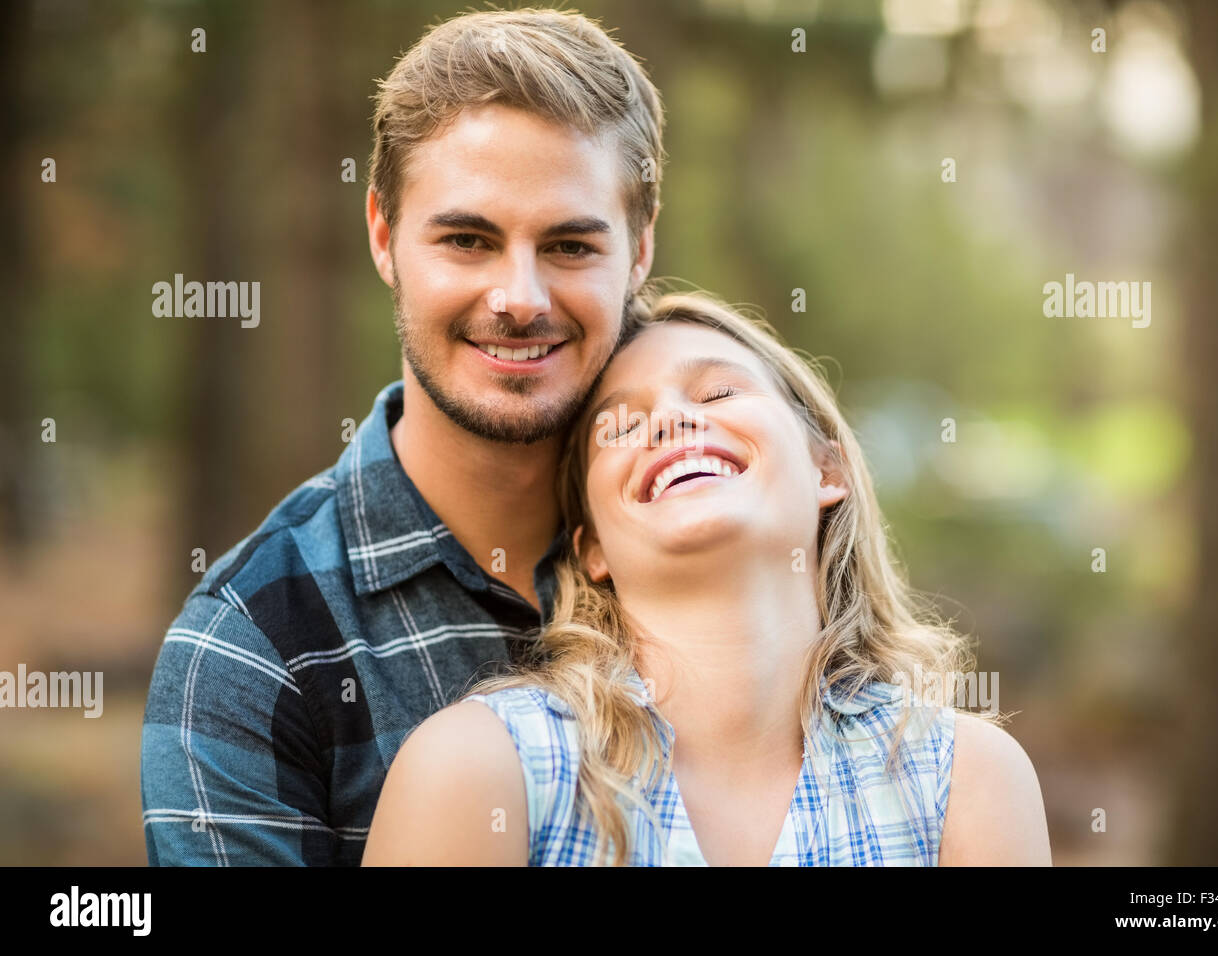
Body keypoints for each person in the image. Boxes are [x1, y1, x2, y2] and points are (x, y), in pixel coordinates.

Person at [140, 8, 663, 865]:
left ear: (640, 250)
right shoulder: (252, 647)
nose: (519, 298)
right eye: (467, 239)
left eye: (569, 244)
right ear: (384, 235)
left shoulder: (725, 542)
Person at [362, 292, 1053, 866]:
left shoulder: (965, 778)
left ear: (827, 470)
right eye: (619, 426)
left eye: (719, 391)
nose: (669, 418)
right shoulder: (481, 771)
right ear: (592, 545)